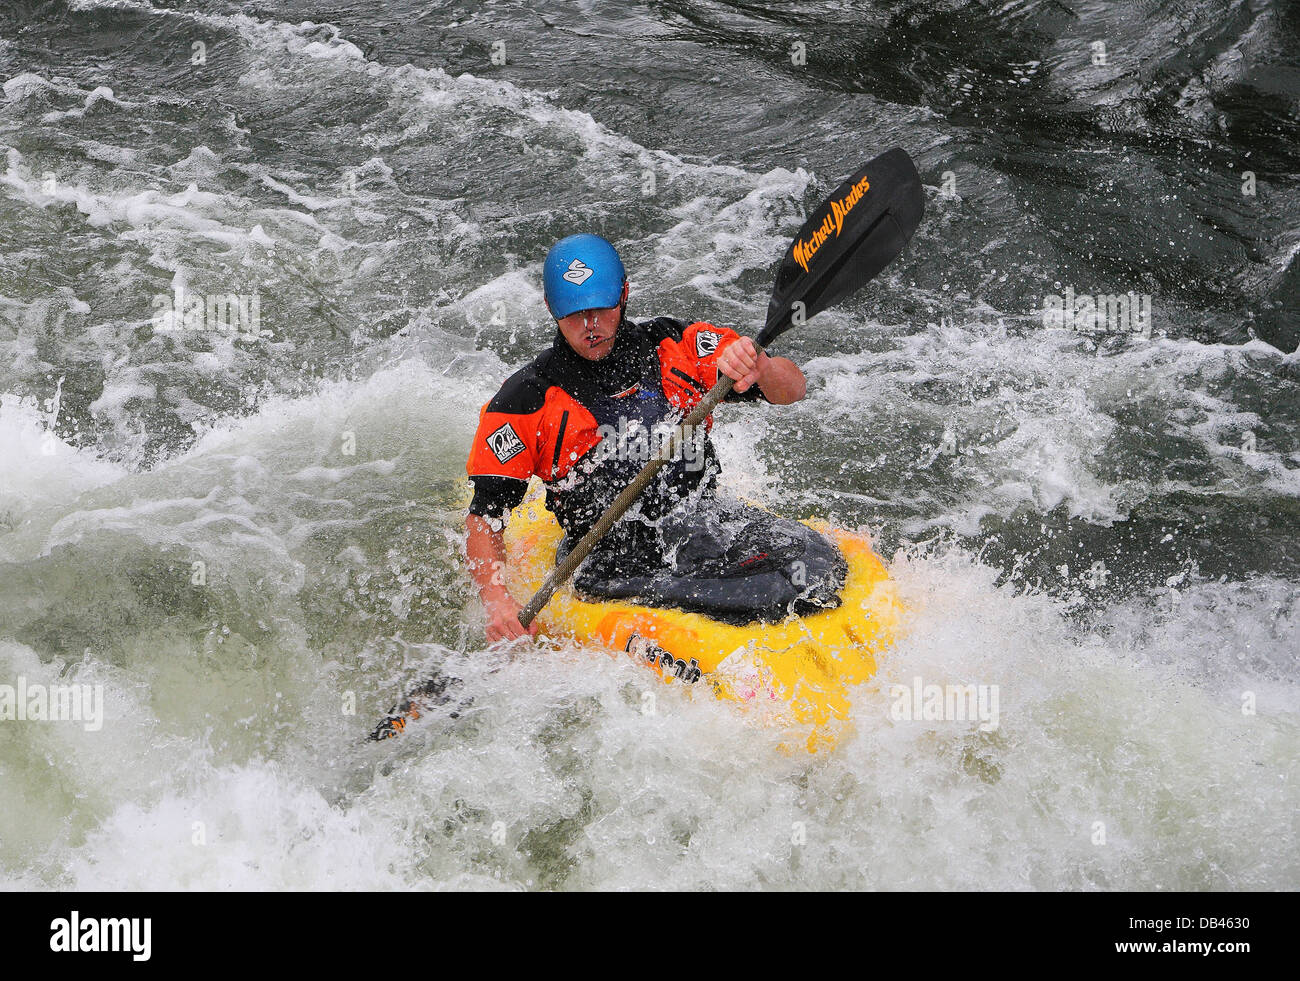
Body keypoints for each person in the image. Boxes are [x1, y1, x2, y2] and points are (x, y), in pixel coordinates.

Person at [465, 233, 842, 642]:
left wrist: (760, 365)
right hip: (612, 560)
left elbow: (792, 391)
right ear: (551, 311)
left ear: (624, 294)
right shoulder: (525, 401)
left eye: (599, 309)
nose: (589, 326)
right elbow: (484, 516)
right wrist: (496, 599)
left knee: (810, 572)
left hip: (703, 524)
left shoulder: (675, 346)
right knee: (757, 600)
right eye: (574, 315)